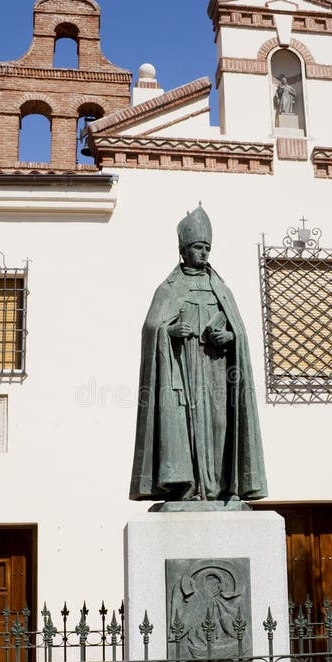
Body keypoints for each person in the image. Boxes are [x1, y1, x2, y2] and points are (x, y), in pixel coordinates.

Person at [129, 204, 267, 503]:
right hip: (181, 370)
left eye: (207, 248)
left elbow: (239, 332)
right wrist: (170, 331)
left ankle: (218, 488)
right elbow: (152, 326)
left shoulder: (220, 288)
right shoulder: (169, 288)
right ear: (183, 250)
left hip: (217, 370)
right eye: (197, 247)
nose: (203, 253)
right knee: (185, 426)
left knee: (220, 426)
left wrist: (229, 336)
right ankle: (188, 487)